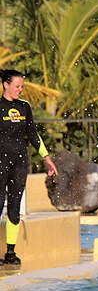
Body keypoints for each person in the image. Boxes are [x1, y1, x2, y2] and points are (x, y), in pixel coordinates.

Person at [1, 69, 58, 265]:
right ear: (5, 85)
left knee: (15, 207)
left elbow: (33, 134)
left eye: (22, 86)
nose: (20, 90)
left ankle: (10, 252)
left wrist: (46, 158)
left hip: (19, 162)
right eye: (17, 86)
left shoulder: (24, 107)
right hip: (0, 162)